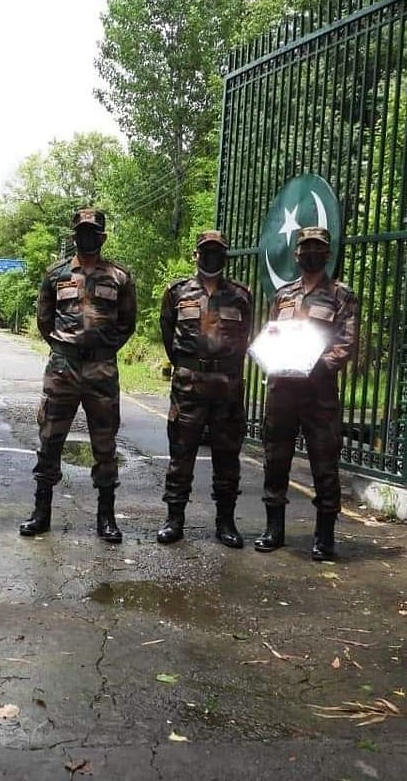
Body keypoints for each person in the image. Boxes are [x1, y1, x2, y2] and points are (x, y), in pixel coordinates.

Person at [20, 208, 137, 543]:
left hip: (101, 368)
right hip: (63, 368)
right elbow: (45, 320)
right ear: (75, 235)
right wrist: (66, 348)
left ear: (102, 236)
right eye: (81, 231)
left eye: (93, 231)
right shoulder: (55, 274)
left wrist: (102, 346)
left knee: (104, 442)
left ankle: (106, 518)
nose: (87, 236)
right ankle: (41, 513)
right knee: (50, 439)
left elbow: (127, 323)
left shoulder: (119, 277)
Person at [257, 226, 359, 560]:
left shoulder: (341, 295)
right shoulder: (283, 294)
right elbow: (272, 334)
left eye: (317, 248)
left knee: (324, 463)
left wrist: (316, 366)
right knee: (275, 459)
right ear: (296, 253)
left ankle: (324, 537)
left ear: (327, 254)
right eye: (305, 248)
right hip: (282, 391)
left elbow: (346, 342)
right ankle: (274, 529)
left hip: (319, 393)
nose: (310, 253)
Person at [157, 230, 252, 548]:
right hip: (188, 387)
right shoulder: (177, 292)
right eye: (206, 251)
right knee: (181, 455)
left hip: (227, 390)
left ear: (224, 256)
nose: (211, 256)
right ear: (196, 255)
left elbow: (245, 339)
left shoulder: (241, 295)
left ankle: (226, 522)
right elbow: (168, 334)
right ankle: (174, 520)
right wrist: (190, 366)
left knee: (227, 457)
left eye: (217, 251)